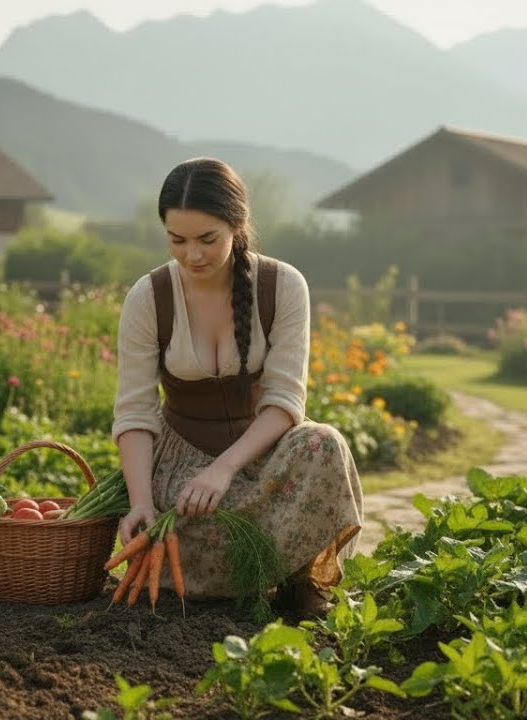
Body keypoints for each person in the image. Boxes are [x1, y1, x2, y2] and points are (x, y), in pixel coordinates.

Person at [111, 157, 364, 617]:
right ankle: (236, 577)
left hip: (261, 455)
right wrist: (141, 503)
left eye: (208, 239)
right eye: (177, 240)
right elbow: (134, 412)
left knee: (325, 445)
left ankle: (300, 579)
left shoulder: (283, 286)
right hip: (182, 465)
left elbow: (286, 401)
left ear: (238, 224)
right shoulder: (148, 297)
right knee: (179, 518)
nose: (192, 255)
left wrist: (224, 469)